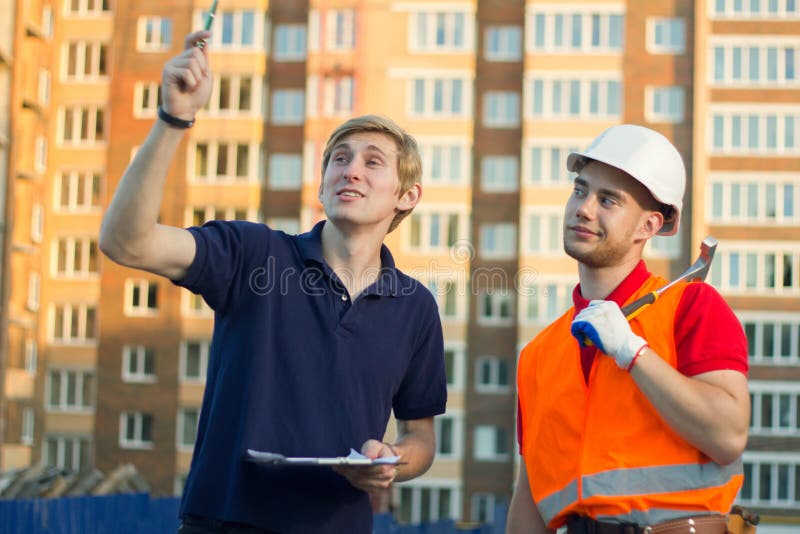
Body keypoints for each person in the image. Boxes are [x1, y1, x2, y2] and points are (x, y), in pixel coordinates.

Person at [99, 30, 447, 533]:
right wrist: (174, 118)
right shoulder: (253, 254)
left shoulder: (415, 307)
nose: (351, 170)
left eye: (373, 161)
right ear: (322, 184)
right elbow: (126, 242)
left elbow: (422, 438)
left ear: (407, 196)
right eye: (340, 158)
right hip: (223, 523)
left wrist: (391, 459)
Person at [507, 124, 750, 534]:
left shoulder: (691, 307)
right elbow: (530, 495)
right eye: (580, 190)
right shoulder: (539, 354)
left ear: (648, 226)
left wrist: (632, 351)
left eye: (608, 200)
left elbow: (727, 436)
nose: (584, 209)